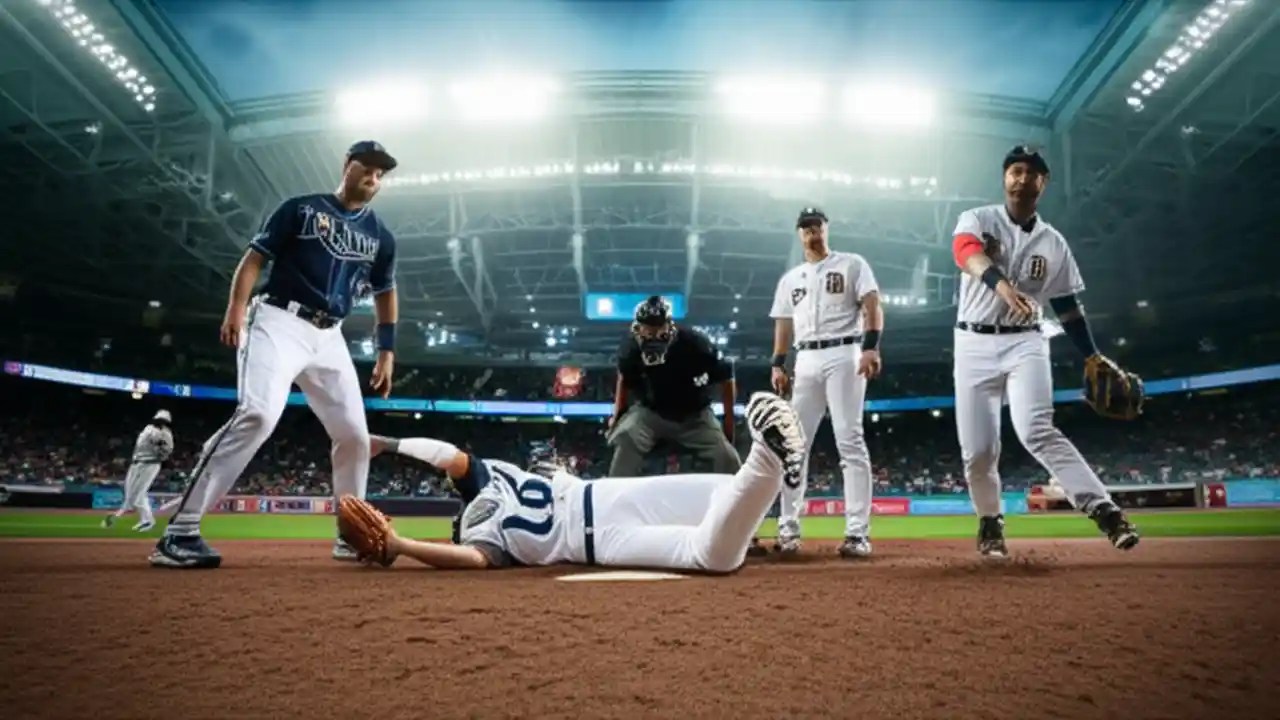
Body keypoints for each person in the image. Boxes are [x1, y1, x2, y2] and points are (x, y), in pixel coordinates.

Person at [150, 140, 400, 569]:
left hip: (330, 336)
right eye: (367, 167)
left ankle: (350, 534)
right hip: (278, 321)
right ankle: (180, 532)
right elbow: (254, 259)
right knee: (259, 415)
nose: (373, 177)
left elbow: (386, 292)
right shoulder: (300, 209)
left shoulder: (381, 236)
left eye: (381, 173)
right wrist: (235, 308)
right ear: (347, 165)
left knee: (356, 437)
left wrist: (387, 351)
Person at [353, 392, 803, 573]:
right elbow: (446, 455)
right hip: (603, 495)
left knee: (710, 555)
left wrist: (401, 545)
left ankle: (767, 460)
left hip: (597, 538)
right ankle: (771, 450)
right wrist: (389, 443)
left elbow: (467, 558)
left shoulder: (482, 531)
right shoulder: (497, 477)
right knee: (721, 490)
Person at [950, 145, 1140, 558]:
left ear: (1043, 183)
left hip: (1026, 342)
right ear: (1005, 178)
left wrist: (1091, 354)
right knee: (979, 450)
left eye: (1031, 172)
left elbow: (1068, 306)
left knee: (1037, 429)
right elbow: (965, 251)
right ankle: (990, 523)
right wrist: (1001, 286)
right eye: (1015, 170)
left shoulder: (1053, 242)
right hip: (973, 343)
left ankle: (1105, 510)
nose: (1022, 177)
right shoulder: (979, 218)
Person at [766, 207, 884, 559]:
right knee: (793, 446)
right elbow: (783, 324)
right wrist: (777, 363)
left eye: (816, 225)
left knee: (849, 439)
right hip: (806, 358)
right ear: (799, 234)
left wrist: (871, 346)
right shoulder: (791, 279)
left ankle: (857, 533)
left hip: (844, 352)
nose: (811, 232)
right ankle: (788, 531)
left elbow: (873, 304)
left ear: (826, 229)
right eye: (805, 228)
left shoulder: (851, 264)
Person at [606, 295, 740, 476]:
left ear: (669, 326)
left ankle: (738, 499)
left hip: (695, 417)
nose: (653, 334)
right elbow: (624, 378)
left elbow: (726, 376)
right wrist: (617, 416)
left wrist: (729, 427)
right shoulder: (632, 348)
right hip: (651, 414)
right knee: (625, 440)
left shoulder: (694, 343)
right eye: (648, 328)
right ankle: (615, 494)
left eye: (658, 327)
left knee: (729, 459)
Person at [102, 409, 174, 532]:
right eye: (158, 420)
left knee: (139, 495)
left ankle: (147, 521)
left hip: (150, 464)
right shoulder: (148, 428)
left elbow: (167, 451)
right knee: (129, 492)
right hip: (136, 463)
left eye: (163, 421)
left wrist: (160, 448)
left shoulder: (166, 434)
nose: (160, 422)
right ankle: (125, 514)